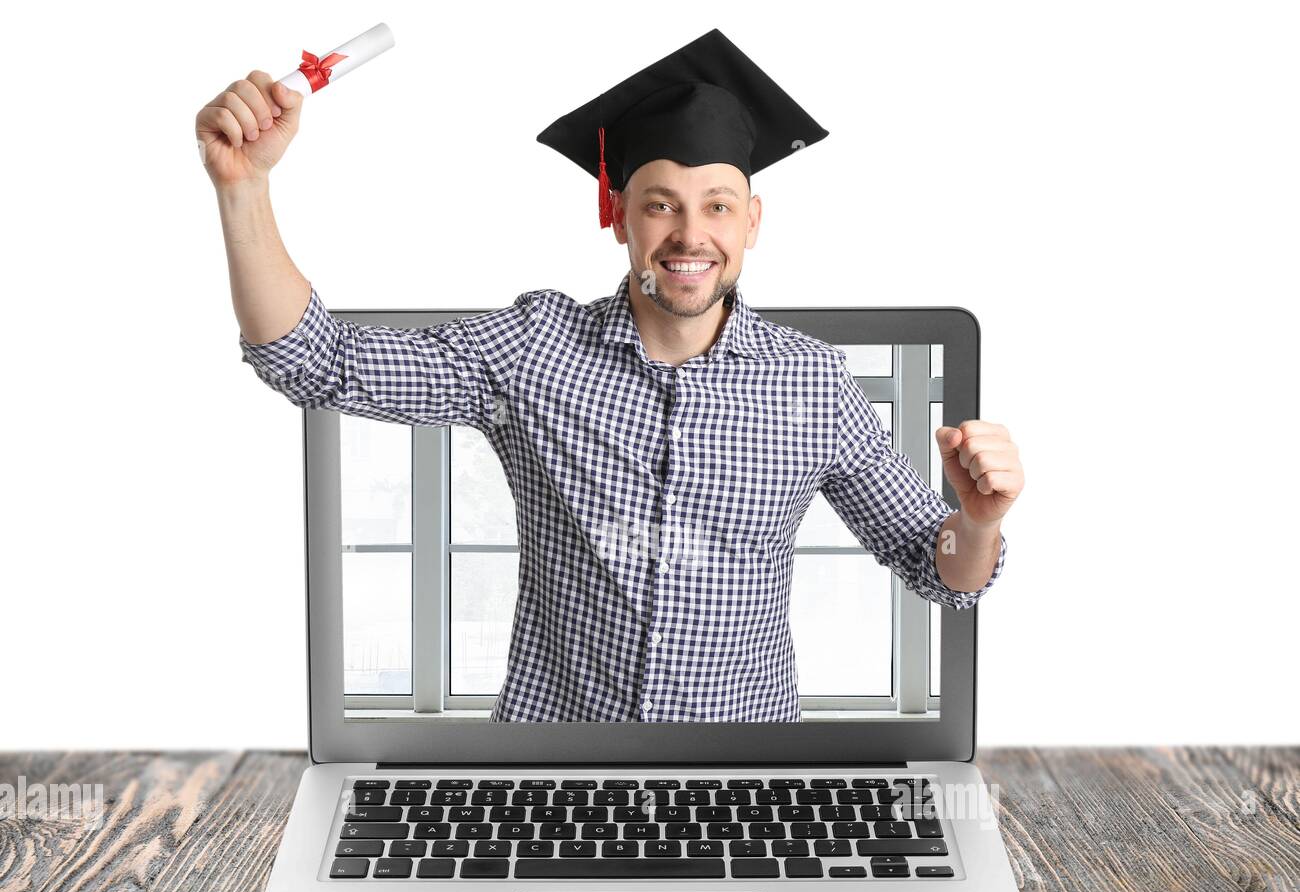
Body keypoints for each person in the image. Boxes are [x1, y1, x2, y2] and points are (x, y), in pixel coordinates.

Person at [196, 29, 1024, 723]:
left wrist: (977, 520)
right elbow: (314, 361)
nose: (690, 234)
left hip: (744, 778)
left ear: (753, 221)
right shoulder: (533, 350)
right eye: (661, 203)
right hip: (547, 770)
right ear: (617, 212)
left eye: (718, 204)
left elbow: (935, 561)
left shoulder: (813, 385)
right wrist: (246, 187)